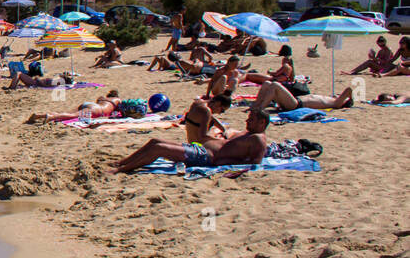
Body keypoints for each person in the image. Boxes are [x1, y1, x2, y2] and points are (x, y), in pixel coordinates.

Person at [110, 107, 272, 174]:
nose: (247, 121)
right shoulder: (249, 133)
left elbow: (255, 163)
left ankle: (121, 170)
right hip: (201, 149)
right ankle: (122, 162)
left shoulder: (258, 139)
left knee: (158, 149)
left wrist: (222, 161)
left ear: (262, 123)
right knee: (154, 141)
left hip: (205, 157)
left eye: (251, 119)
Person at [250, 81, 354, 113]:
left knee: (275, 85)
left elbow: (349, 89)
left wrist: (351, 99)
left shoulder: (336, 103)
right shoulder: (331, 99)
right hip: (294, 102)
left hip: (295, 104)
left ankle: (260, 108)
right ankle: (256, 105)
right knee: (267, 84)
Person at [7, 70, 75, 90]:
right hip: (35, 82)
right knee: (19, 74)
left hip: (34, 82)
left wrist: (38, 79)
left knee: (18, 73)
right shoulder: (57, 81)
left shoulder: (57, 82)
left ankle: (12, 87)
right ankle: (12, 86)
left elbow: (44, 85)